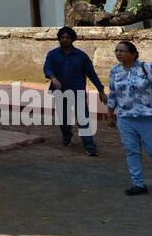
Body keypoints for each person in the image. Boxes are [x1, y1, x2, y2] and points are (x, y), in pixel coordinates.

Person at [106, 40, 152, 195]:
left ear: (133, 54)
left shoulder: (146, 68)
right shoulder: (115, 71)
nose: (118, 53)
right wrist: (110, 114)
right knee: (131, 151)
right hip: (126, 117)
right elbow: (113, 93)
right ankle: (138, 184)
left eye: (122, 51)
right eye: (116, 50)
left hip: (149, 116)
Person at [43, 26, 106, 156]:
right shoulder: (53, 54)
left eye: (67, 38)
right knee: (64, 118)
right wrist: (53, 78)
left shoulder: (81, 56)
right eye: (62, 38)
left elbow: (91, 74)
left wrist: (101, 90)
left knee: (83, 118)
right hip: (60, 91)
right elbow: (47, 68)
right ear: (59, 39)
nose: (65, 40)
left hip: (78, 90)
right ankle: (67, 137)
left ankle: (90, 146)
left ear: (73, 39)